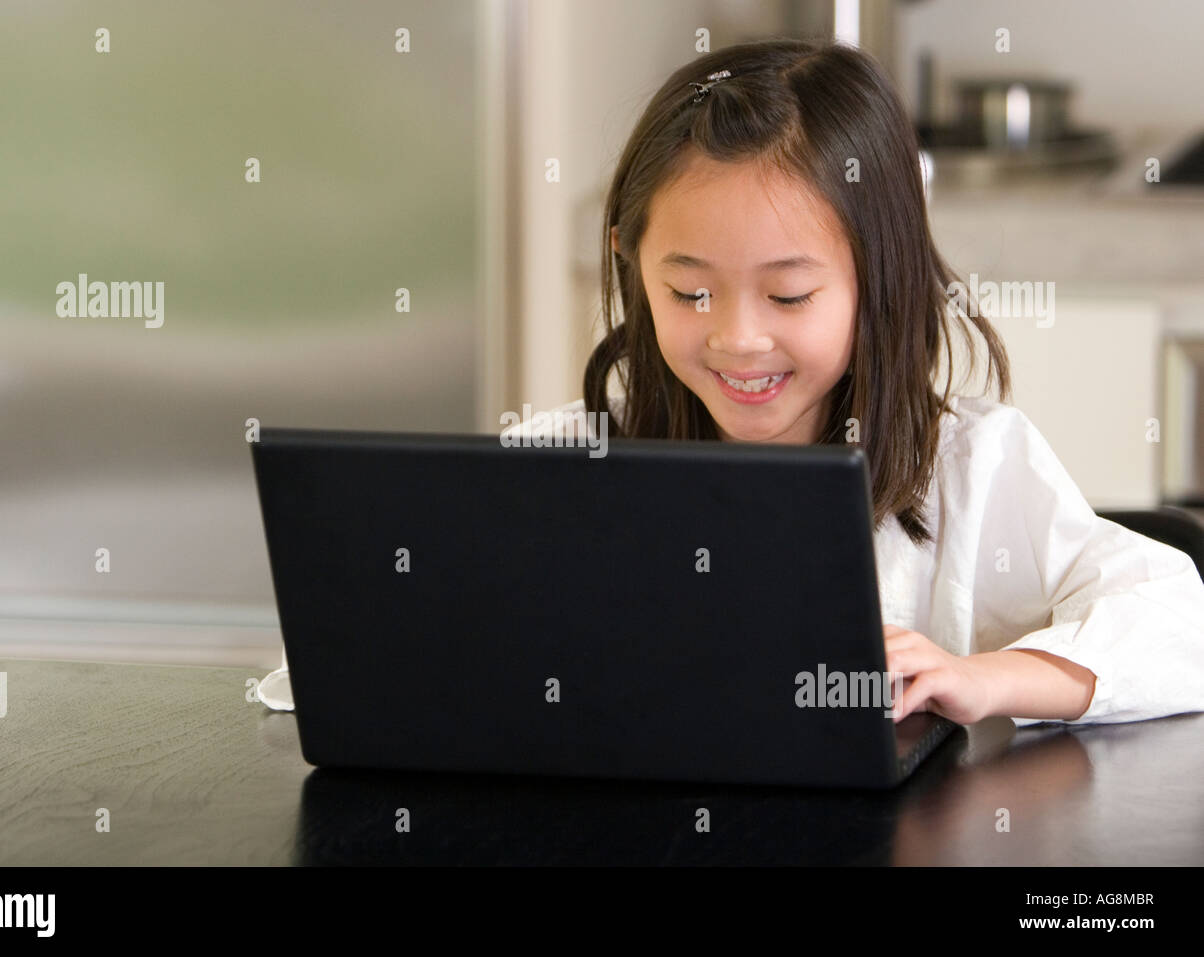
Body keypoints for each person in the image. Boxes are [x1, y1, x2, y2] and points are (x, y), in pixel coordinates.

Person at [502, 38, 1204, 728]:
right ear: (633, 263)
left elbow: (1177, 619)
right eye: (690, 293)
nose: (738, 339)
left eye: (789, 296)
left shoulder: (974, 472)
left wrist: (982, 678)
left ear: (878, 278)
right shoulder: (559, 460)